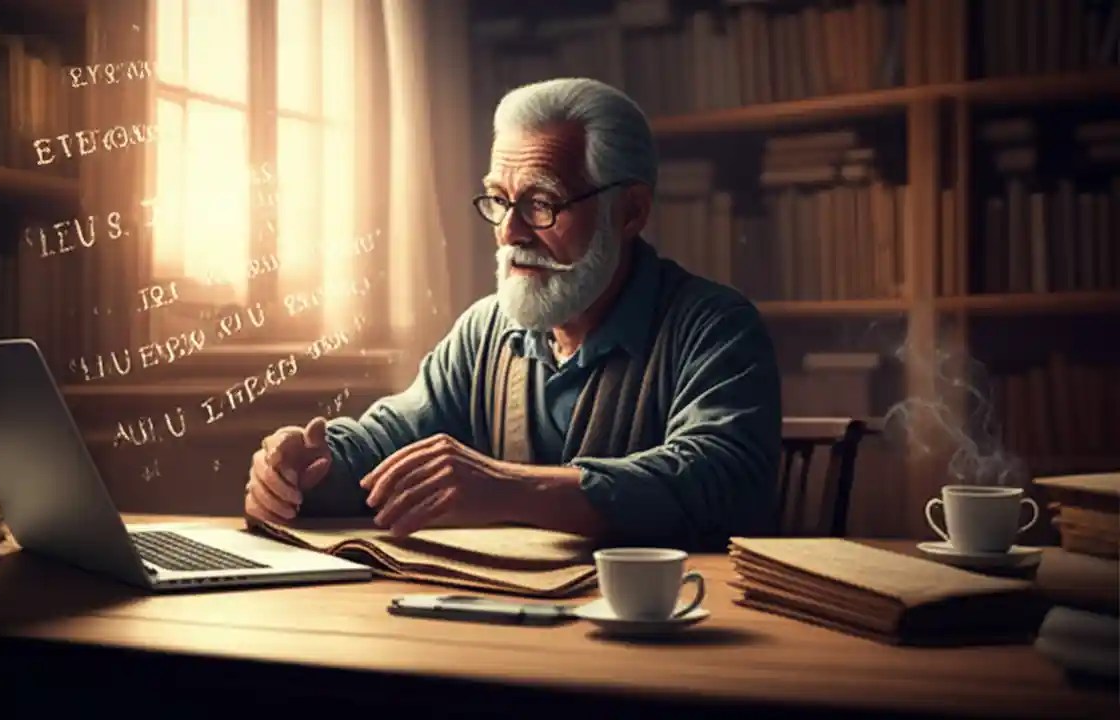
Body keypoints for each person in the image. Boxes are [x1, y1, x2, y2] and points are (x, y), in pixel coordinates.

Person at [245, 77, 782, 551]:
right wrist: (311, 469)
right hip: (507, 624)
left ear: (630, 212)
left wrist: (507, 488)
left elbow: (718, 481)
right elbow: (387, 440)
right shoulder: (485, 330)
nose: (509, 231)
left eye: (541, 203)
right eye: (498, 200)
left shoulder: (714, 327)